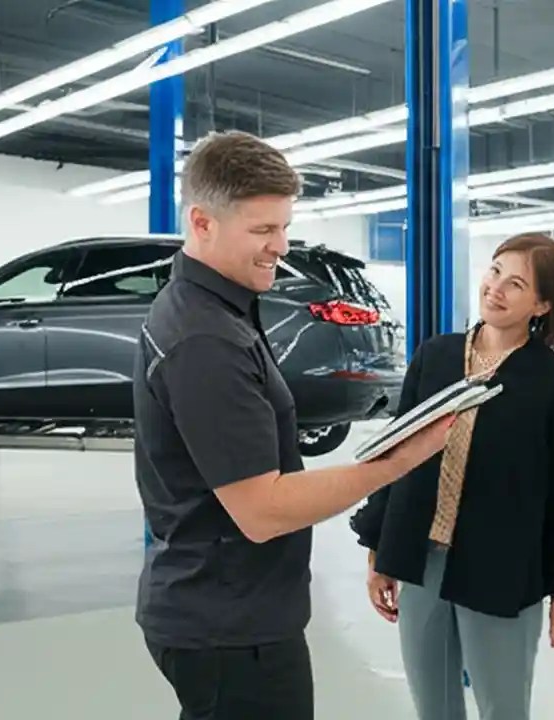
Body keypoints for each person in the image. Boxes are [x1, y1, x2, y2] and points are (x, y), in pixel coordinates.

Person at [131, 130, 453, 720]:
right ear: (202, 223)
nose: (279, 247)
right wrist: (396, 463)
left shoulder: (213, 311)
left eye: (283, 227)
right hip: (232, 629)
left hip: (222, 610)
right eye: (262, 229)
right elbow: (263, 510)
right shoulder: (206, 340)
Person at [350, 233, 554, 720]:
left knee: (503, 707)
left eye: (516, 284)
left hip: (502, 566)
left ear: (542, 304)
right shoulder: (435, 357)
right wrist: (379, 547)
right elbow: (396, 456)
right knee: (434, 707)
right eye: (495, 271)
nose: (496, 288)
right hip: (422, 558)